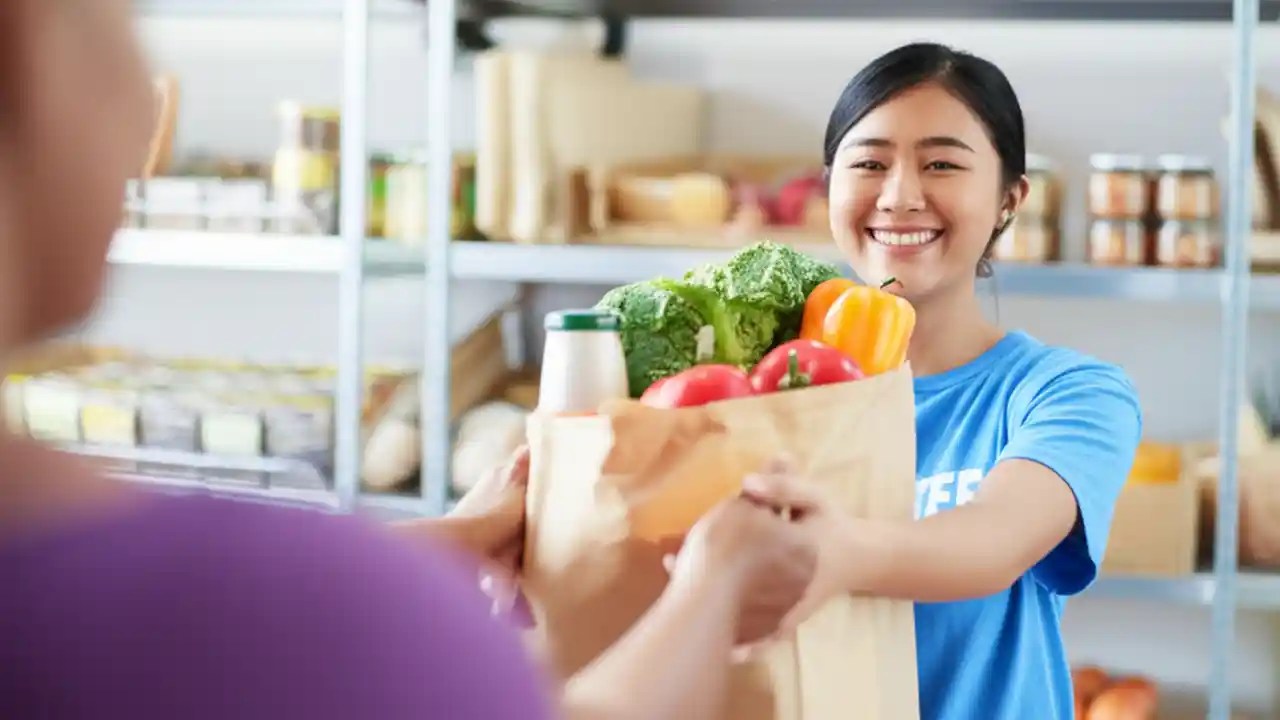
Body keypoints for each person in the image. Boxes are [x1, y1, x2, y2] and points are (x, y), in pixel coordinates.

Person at [0, 2, 816, 719]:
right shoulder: (297, 613)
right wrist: (716, 586)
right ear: (26, 44)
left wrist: (442, 543)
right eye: (125, 18)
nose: (147, 96)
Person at [742, 42, 1143, 720]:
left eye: (942, 164)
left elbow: (993, 541)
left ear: (1010, 199)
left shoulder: (1066, 393)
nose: (899, 196)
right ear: (830, 185)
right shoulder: (764, 384)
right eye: (868, 163)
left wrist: (841, 552)